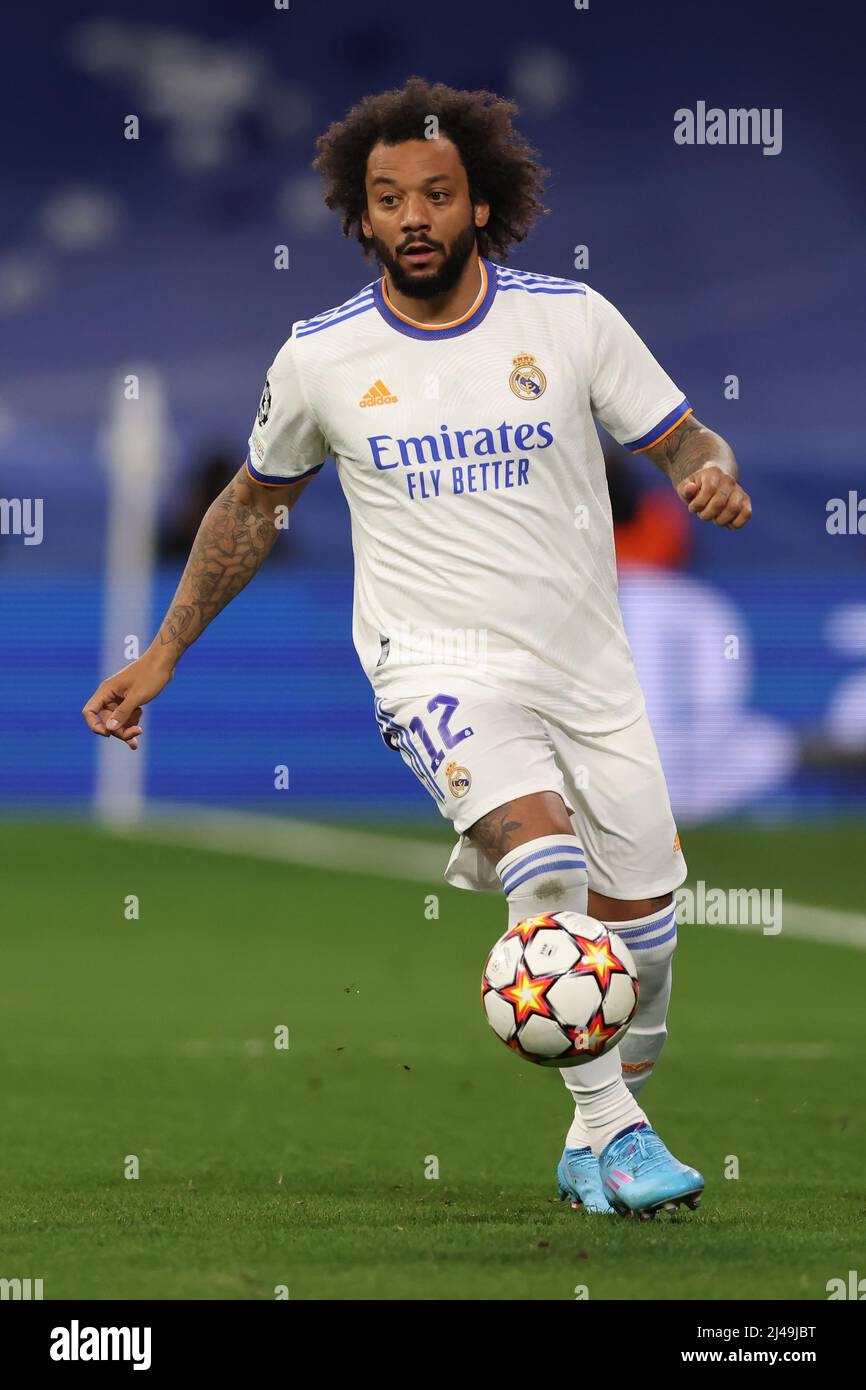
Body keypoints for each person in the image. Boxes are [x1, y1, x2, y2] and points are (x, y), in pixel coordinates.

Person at [82, 76, 752, 1219]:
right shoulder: (320, 358)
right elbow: (251, 505)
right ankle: (620, 1132)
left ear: (478, 204)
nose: (411, 218)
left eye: (435, 195)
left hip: (587, 669)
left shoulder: (570, 321)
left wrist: (707, 468)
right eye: (387, 198)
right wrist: (165, 651)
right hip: (429, 663)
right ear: (360, 216)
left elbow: (682, 429)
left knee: (638, 938)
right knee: (542, 867)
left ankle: (597, 1138)